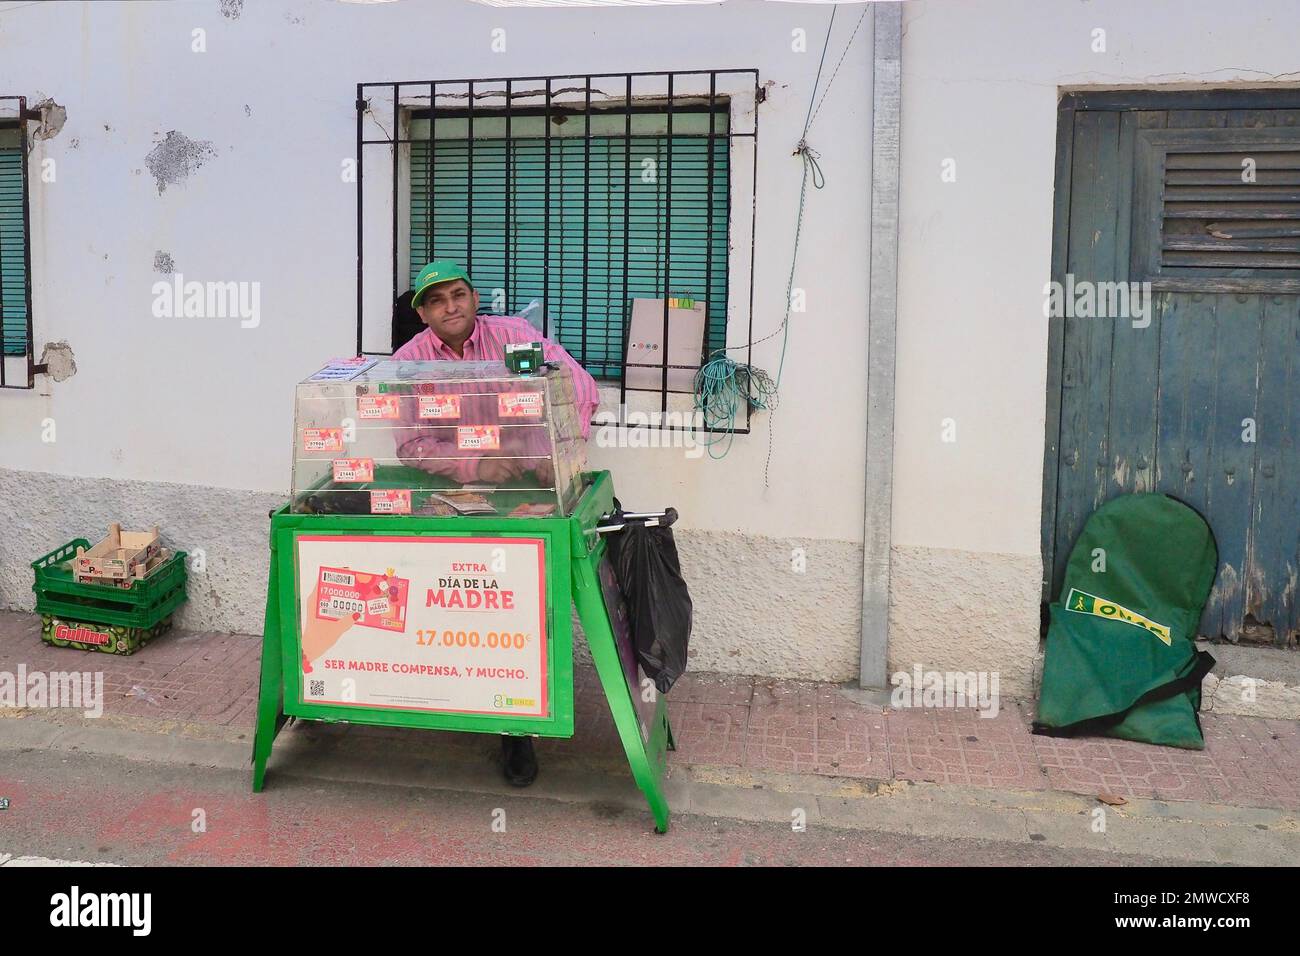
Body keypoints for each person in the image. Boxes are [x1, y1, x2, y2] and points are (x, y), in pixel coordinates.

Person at [393, 261, 599, 788]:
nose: (451, 307)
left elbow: (577, 386)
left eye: (458, 295)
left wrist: (556, 445)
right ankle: (457, 699)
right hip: (460, 497)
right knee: (465, 604)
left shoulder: (514, 335)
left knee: (521, 605)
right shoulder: (408, 363)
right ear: (422, 313)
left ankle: (516, 728)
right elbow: (413, 445)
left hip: (533, 490)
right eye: (436, 301)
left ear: (473, 296)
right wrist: (478, 463)